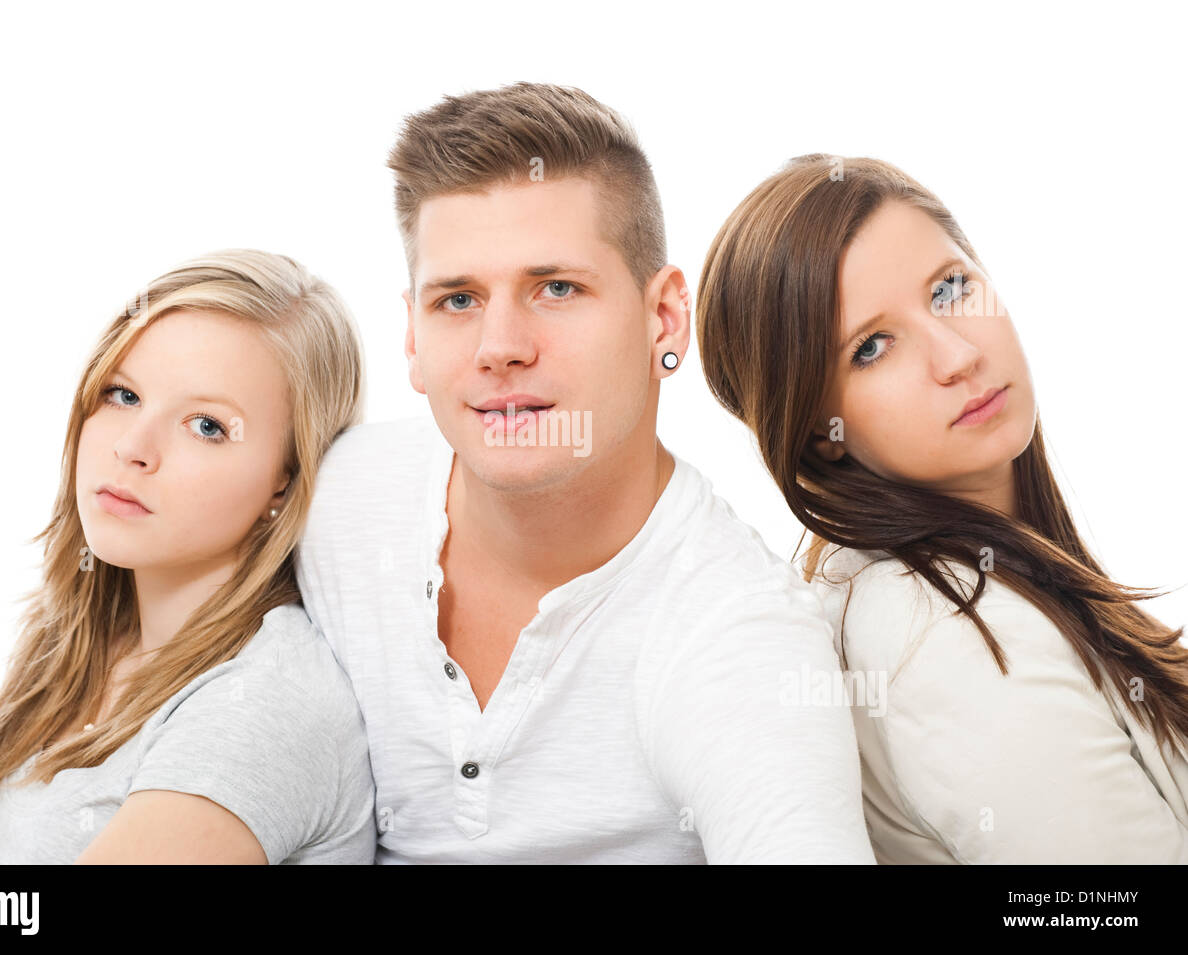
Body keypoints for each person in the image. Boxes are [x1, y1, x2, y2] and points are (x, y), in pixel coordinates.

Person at [294, 83, 875, 864]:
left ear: (664, 317)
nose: (500, 345)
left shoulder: (738, 637)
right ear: (410, 335)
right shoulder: (330, 500)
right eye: (458, 299)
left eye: (556, 288)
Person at [694, 153, 1188, 863]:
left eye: (951, 288)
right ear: (815, 434)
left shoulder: (938, 581)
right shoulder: (950, 639)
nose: (955, 353)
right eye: (871, 348)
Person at [0, 249, 376, 864]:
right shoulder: (75, 641)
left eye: (206, 425)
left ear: (284, 482)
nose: (133, 446)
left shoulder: (262, 704)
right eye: (123, 395)